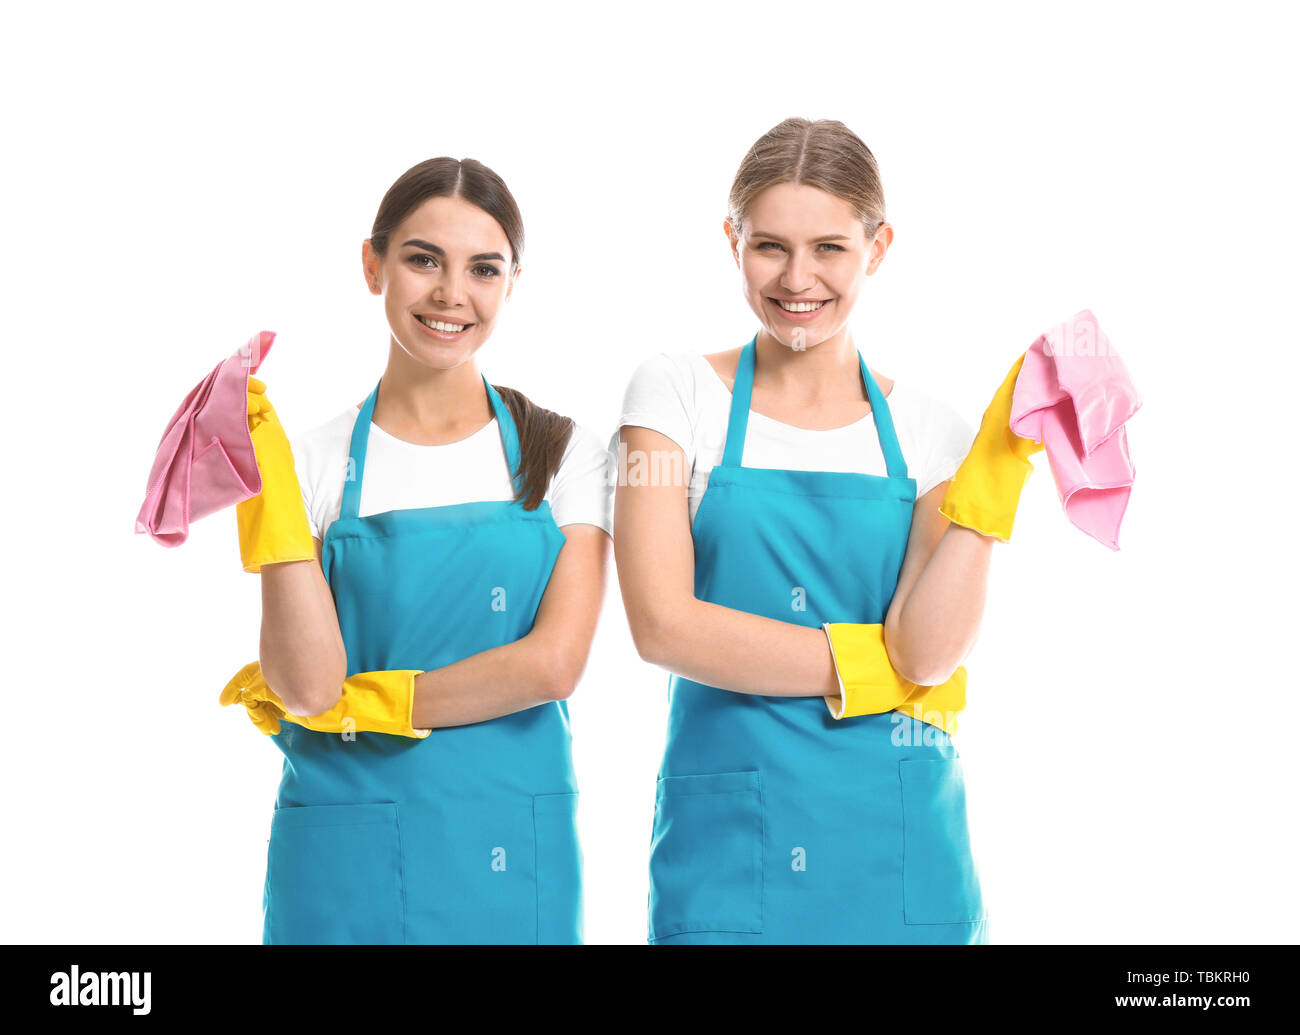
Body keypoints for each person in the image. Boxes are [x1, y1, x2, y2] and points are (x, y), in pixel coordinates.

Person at [611, 117, 1025, 944]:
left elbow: (930, 651)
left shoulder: (930, 429)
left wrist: (997, 470)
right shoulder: (671, 397)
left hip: (904, 852)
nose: (798, 279)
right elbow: (662, 625)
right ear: (732, 241)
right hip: (732, 854)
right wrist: (870, 666)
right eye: (769, 246)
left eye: (830, 248)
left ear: (878, 246)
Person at [222, 156, 613, 944]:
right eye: (422, 258)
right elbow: (307, 686)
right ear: (374, 264)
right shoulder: (312, 462)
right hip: (343, 858)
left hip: (510, 858)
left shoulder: (564, 453)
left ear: (511, 284)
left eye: (483, 268)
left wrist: (385, 706)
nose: (450, 293)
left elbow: (553, 665)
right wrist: (273, 504)